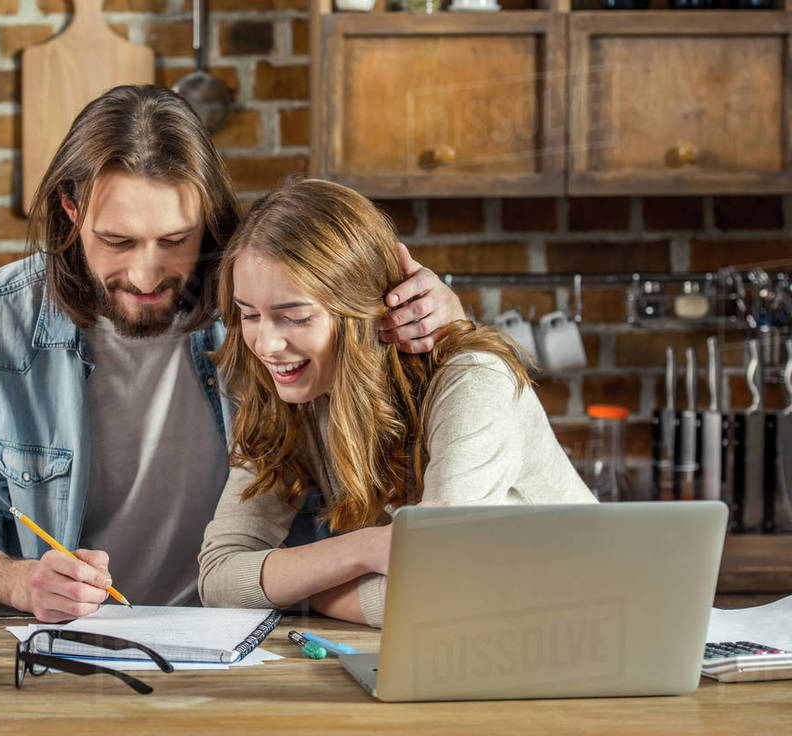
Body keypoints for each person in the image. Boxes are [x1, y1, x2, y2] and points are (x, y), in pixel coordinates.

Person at [0, 86, 465, 622]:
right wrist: (20, 582)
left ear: (208, 213)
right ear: (70, 209)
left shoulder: (260, 307)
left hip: (246, 635)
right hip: (53, 642)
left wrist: (440, 321)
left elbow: (401, 400)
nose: (146, 275)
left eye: (175, 240)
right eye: (118, 242)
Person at [198, 179, 595, 628]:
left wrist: (300, 588)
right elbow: (218, 579)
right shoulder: (293, 395)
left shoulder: (473, 381)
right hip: (483, 643)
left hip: (586, 627)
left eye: (295, 316)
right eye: (249, 314)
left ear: (362, 312)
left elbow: (431, 591)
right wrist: (365, 548)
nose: (266, 343)